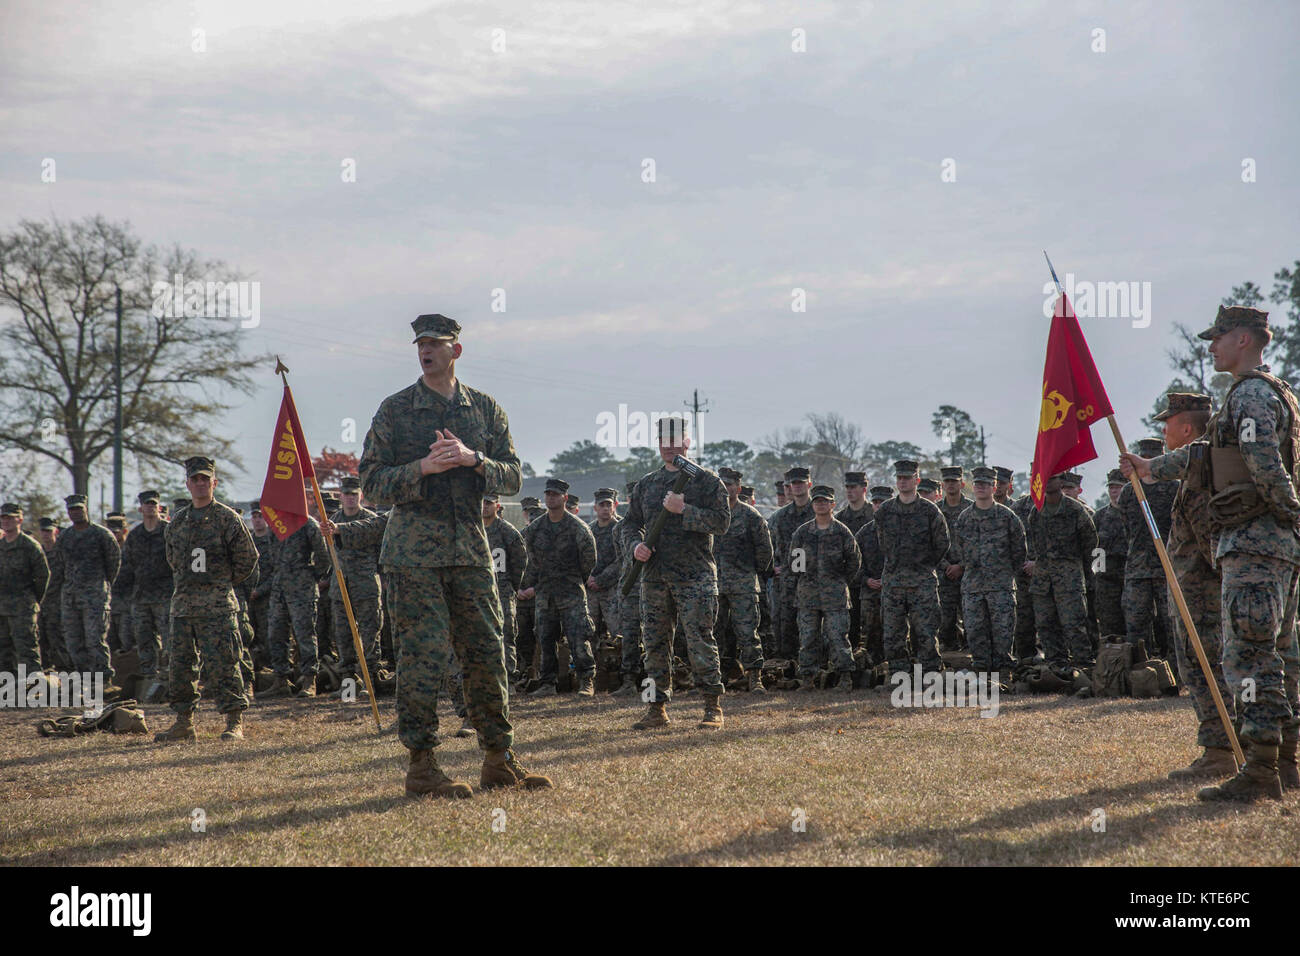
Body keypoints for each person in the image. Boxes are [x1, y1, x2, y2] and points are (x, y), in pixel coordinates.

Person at [358, 311, 550, 797]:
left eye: (436, 343)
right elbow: (371, 486)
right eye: (420, 343)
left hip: (470, 552)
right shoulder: (396, 410)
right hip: (413, 557)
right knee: (422, 659)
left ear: (455, 351)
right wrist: (421, 467)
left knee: (486, 654)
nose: (426, 350)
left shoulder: (484, 410)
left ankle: (499, 759)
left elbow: (512, 476)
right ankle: (422, 767)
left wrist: (472, 459)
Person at [1124, 306, 1300, 801]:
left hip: (1255, 542)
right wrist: (1152, 467)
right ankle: (1283, 764)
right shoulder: (1268, 392)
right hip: (1268, 544)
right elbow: (1206, 456)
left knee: (1250, 656)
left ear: (1243, 339)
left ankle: (1263, 772)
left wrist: (1292, 516)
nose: (1211, 346)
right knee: (1280, 654)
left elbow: (1264, 464)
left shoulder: (1251, 394)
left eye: (1218, 338)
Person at [1147, 392, 1237, 780]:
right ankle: (1220, 746)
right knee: (1197, 669)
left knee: (1206, 670)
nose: (1163, 432)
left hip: (1200, 597)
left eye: (1168, 424)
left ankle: (1221, 750)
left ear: (1186, 428)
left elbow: (1208, 542)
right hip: (1190, 594)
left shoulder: (1201, 482)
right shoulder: (1194, 475)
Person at [622, 415, 730, 730]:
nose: (670, 448)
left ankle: (712, 707)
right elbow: (629, 523)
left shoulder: (708, 481)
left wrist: (685, 510)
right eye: (664, 442)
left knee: (699, 640)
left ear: (687, 442)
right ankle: (656, 709)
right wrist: (635, 546)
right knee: (654, 643)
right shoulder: (647, 484)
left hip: (695, 576)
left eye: (676, 441)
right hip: (655, 577)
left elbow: (722, 523)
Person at [154, 457, 257, 742]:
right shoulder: (178, 523)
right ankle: (184, 722)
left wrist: (222, 583)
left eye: (204, 479)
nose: (200, 484)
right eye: (194, 479)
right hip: (184, 607)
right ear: (187, 484)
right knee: (181, 666)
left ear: (214, 483)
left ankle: (234, 721)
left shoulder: (227, 518)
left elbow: (248, 558)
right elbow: (173, 560)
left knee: (225, 663)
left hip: (217, 606)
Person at [950, 467, 1026, 686]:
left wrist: (1004, 574)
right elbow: (959, 550)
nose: (981, 488)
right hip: (973, 587)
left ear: (994, 487)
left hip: (1001, 586)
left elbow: (1019, 551)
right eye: (977, 484)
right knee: (975, 632)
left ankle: (1004, 674)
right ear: (973, 487)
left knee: (1003, 632)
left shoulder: (1007, 516)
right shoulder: (965, 518)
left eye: (986, 484)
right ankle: (982, 674)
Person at [523, 477, 598, 697]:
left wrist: (576, 580)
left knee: (578, 639)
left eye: (555, 494)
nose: (550, 498)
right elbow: (526, 555)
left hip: (572, 592)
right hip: (545, 593)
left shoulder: (578, 528)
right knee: (546, 640)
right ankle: (548, 683)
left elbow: (589, 560)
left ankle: (586, 680)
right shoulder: (536, 528)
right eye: (548, 494)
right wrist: (533, 582)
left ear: (564, 498)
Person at [875, 460, 948, 675]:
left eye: (907, 478)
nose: (903, 482)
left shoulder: (929, 510)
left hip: (922, 582)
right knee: (893, 633)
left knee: (926, 632)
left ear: (916, 480)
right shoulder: (885, 510)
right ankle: (899, 675)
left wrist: (924, 566)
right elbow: (882, 543)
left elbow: (942, 543)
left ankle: (930, 674)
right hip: (893, 582)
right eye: (899, 478)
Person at [1024, 472, 1098, 677]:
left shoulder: (1075, 509)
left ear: (1061, 481)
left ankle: (1084, 666)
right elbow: (1031, 542)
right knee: (1045, 624)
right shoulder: (1036, 510)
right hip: (1043, 578)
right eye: (1045, 478)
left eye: (1053, 478)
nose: (1048, 482)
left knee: (1074, 623)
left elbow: (1090, 542)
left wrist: (1073, 563)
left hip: (1069, 577)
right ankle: (1056, 666)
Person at [790, 485, 860, 692]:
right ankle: (808, 679)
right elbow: (795, 564)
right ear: (813, 505)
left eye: (825, 501)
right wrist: (808, 580)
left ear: (832, 504)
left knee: (838, 637)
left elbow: (854, 562)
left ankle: (845, 678)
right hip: (808, 596)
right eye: (817, 501)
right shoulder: (802, 533)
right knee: (808, 637)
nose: (820, 505)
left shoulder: (841, 532)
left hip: (835, 595)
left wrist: (838, 581)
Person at [713, 467, 774, 693]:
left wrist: (752, 573)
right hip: (715, 585)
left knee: (748, 632)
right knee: (713, 633)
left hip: (744, 584)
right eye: (722, 484)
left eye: (730, 485)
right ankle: (714, 678)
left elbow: (765, 551)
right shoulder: (710, 515)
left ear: (738, 488)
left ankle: (754, 678)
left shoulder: (750, 516)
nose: (726, 489)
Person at [1119, 438, 1177, 656]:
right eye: (1144, 457)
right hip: (1137, 568)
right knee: (1136, 622)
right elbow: (1127, 527)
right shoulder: (1129, 491)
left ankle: (1175, 672)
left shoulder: (1174, 488)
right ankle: (1142, 671)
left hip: (1167, 568)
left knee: (1171, 623)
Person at [56, 494, 120, 689]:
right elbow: (60, 566)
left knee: (95, 639)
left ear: (86, 509)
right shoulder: (65, 536)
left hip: (95, 596)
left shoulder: (101, 534)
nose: (76, 512)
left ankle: (103, 680)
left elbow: (114, 562)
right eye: (72, 509)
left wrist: (103, 585)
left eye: (79, 508)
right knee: (74, 641)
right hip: (71, 597)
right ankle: (83, 680)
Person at [122, 490, 173, 696]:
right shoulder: (135, 535)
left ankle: (170, 679)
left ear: (159, 507)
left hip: (166, 595)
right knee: (144, 639)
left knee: (170, 639)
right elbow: (128, 565)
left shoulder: (169, 531)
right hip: (141, 596)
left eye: (154, 504)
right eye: (147, 504)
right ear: (140, 508)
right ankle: (149, 680)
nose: (151, 507)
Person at [769, 467, 814, 660]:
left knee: (813, 625)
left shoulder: (820, 511)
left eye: (800, 483)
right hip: (787, 581)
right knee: (786, 625)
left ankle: (815, 665)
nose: (796, 487)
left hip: (813, 579)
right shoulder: (780, 517)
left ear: (808, 484)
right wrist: (772, 566)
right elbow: (767, 546)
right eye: (793, 484)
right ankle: (788, 667)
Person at [0, 503, 49, 678]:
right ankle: (7, 689)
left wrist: (33, 599)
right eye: (3, 518)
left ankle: (36, 688)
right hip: (2, 608)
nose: (6, 521)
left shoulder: (30, 546)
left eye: (11, 518)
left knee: (27, 648)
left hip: (24, 607)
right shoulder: (1, 546)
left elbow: (43, 576)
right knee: (4, 651)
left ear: (19, 520)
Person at [484, 493, 527, 684]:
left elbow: (520, 561)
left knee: (507, 634)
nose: (484, 506)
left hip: (502, 590)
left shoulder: (507, 531)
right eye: (481, 502)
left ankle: (509, 679)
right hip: (477, 591)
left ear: (497, 505)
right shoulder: (471, 529)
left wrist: (511, 585)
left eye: (489, 503)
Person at [586, 487, 623, 683]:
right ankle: (593, 677)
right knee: (590, 632)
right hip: (591, 591)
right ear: (595, 507)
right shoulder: (589, 530)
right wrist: (590, 579)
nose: (605, 508)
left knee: (618, 633)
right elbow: (582, 558)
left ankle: (621, 676)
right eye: (602, 505)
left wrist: (601, 580)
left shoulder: (620, 529)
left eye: (609, 504)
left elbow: (622, 560)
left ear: (614, 506)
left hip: (613, 590)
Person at [855, 485, 893, 665]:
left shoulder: (900, 530)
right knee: (870, 631)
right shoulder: (863, 533)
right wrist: (866, 580)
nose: (879, 505)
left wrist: (889, 579)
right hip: (869, 591)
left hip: (895, 590)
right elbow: (854, 563)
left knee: (895, 630)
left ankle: (895, 665)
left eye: (883, 502)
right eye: (876, 502)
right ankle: (871, 667)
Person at [835, 471, 873, 649]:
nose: (850, 491)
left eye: (854, 487)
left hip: (872, 581)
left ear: (864, 489)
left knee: (874, 628)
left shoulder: (875, 515)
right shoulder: (841, 519)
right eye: (847, 487)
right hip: (850, 580)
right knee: (850, 626)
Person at [936, 466, 972, 652]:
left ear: (962, 484)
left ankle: (970, 651)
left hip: (970, 572)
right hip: (945, 572)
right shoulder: (935, 511)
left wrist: (962, 566)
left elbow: (979, 543)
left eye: (954, 481)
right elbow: (931, 543)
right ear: (942, 485)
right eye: (947, 481)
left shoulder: (972, 509)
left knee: (971, 616)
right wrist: (947, 566)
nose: (950, 484)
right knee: (945, 617)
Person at [1092, 470, 1129, 638]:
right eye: (1111, 487)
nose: (1114, 491)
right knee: (1109, 620)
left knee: (1135, 618)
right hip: (1107, 578)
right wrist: (1098, 573)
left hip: (1131, 574)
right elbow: (1095, 548)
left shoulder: (1134, 512)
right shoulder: (1099, 516)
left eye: (1118, 487)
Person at [36, 518, 70, 672]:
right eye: (43, 531)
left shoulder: (63, 553)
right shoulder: (37, 552)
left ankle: (66, 672)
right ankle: (45, 672)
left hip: (59, 603)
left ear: (56, 531)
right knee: (40, 639)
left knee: (58, 639)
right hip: (41, 603)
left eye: (49, 531)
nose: (46, 534)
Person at [105, 512, 133, 655]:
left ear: (124, 531)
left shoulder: (132, 549)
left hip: (128, 605)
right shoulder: (104, 551)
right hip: (109, 605)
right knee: (110, 644)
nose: (113, 536)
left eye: (116, 532)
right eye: (110, 532)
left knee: (127, 643)